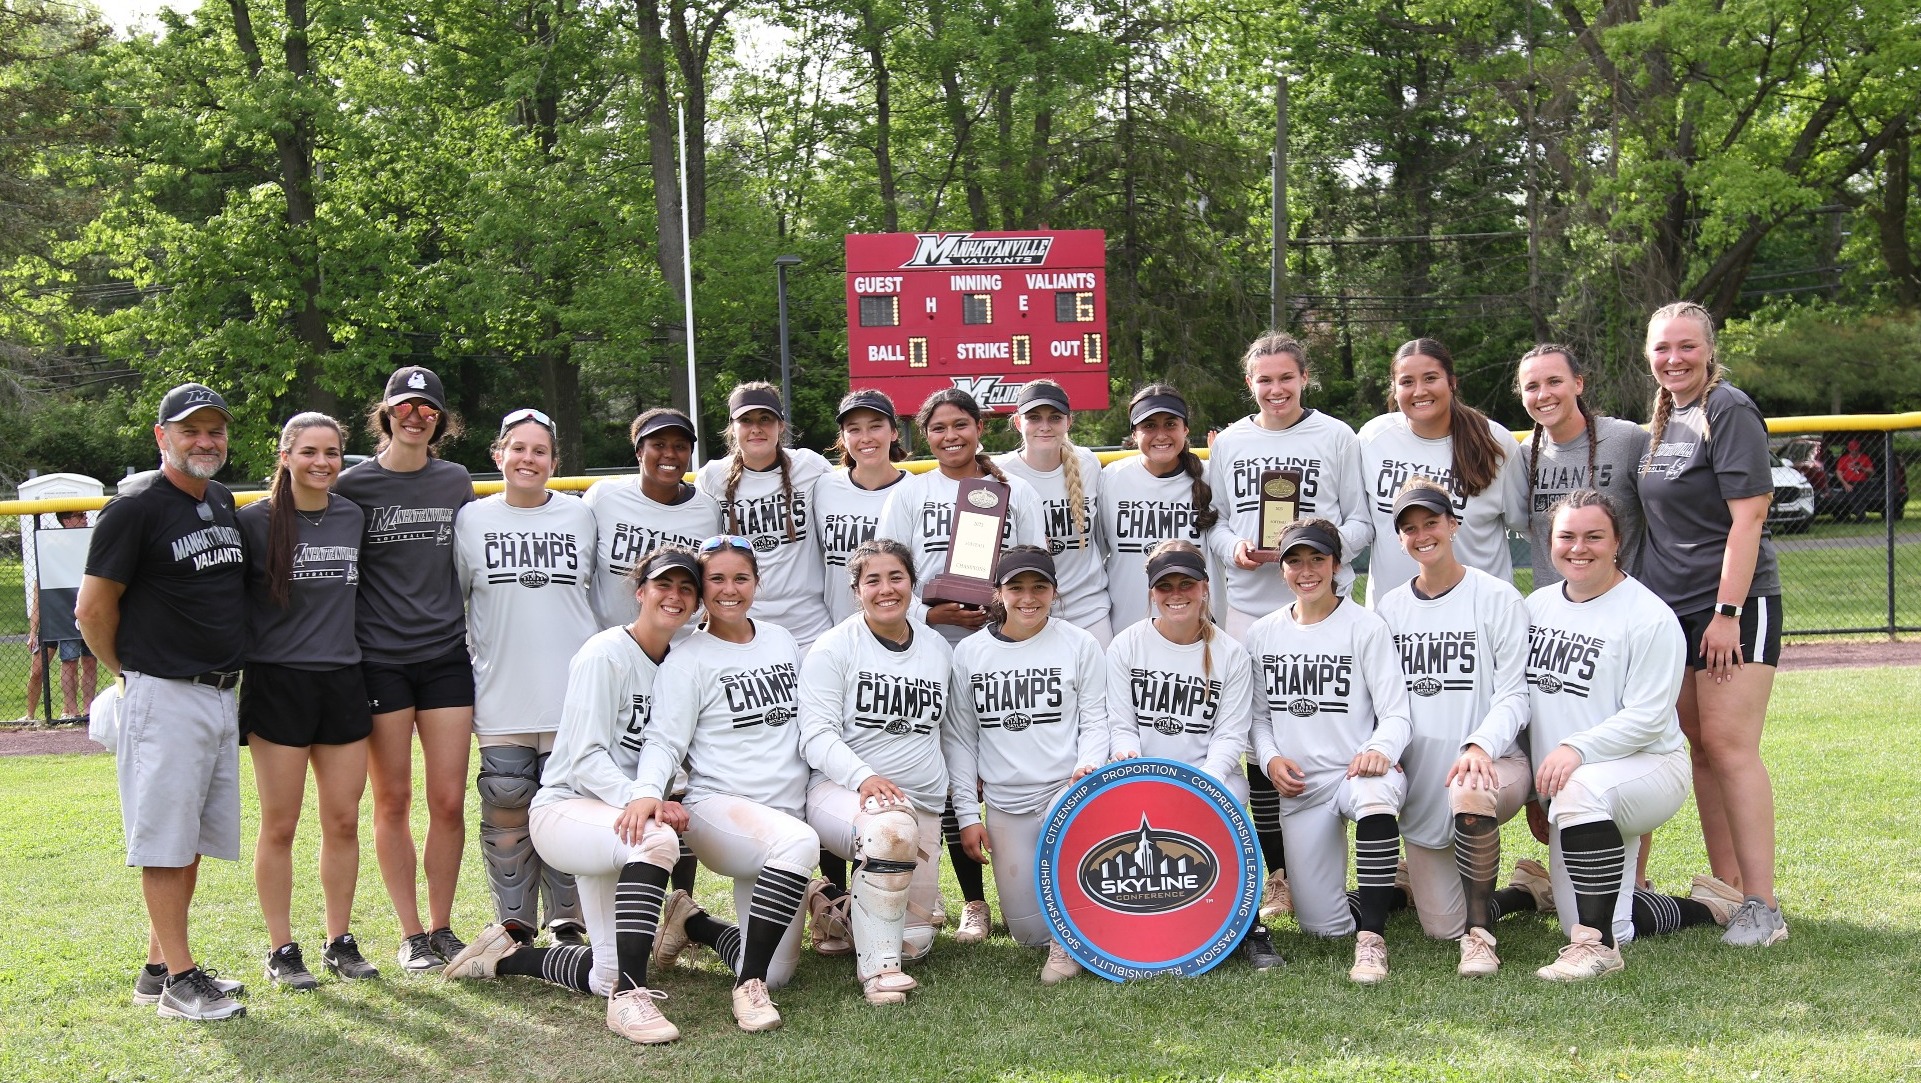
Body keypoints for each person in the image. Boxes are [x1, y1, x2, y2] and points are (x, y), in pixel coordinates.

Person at [443, 547, 704, 1046]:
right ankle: (631, 997)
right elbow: (585, 758)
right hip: (567, 808)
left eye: (686, 589)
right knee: (656, 842)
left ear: (695, 604)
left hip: (619, 816)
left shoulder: (685, 661)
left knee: (601, 973)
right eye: (663, 585)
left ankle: (505, 956)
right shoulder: (605, 652)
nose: (674, 596)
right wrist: (643, 798)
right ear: (641, 590)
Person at [76, 382, 250, 1020]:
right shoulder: (135, 507)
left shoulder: (223, 499)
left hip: (218, 692)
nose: (205, 441)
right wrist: (132, 674)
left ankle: (160, 969)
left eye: (215, 430)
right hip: (163, 691)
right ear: (162, 437)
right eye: (190, 430)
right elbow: (91, 610)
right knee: (163, 844)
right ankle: (180, 984)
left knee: (190, 840)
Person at [1521, 491, 1735, 980]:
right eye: (1566, 536)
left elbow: (1647, 718)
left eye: (1594, 536)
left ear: (1618, 542)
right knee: (1593, 916)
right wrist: (1539, 789)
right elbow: (1527, 707)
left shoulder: (1648, 616)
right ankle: (1709, 905)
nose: (1580, 548)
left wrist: (1573, 751)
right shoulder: (1535, 607)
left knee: (1582, 797)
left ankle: (1598, 951)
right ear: (1548, 542)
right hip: (1576, 782)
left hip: (1649, 767)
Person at [1636, 302, 1787, 946]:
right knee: (1700, 750)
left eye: (1686, 347)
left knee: (1730, 748)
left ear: (1708, 349)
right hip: (1674, 610)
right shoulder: (1666, 419)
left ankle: (1763, 904)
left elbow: (1749, 517)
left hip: (1729, 604)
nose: (1674, 358)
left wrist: (1726, 614)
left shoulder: (1728, 408)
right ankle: (1728, 889)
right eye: (1663, 348)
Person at [1204, 334, 1370, 919]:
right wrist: (1237, 550)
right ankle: (1278, 873)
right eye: (1264, 380)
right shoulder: (1231, 442)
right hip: (1252, 607)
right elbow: (1216, 524)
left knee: (1325, 731)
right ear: (1249, 384)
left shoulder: (1335, 435)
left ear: (1305, 379)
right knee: (1260, 744)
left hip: (1325, 606)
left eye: (1286, 378)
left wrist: (1315, 550)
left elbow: (1362, 523)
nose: (1276, 390)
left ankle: (1362, 866)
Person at [875, 388, 1046, 943]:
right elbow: (888, 570)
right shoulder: (910, 493)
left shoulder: (1013, 491)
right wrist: (931, 608)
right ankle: (957, 897)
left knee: (986, 759)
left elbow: (1034, 568)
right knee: (944, 767)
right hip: (925, 644)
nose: (951, 437)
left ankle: (1002, 891)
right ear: (924, 436)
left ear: (980, 428)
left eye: (961, 425)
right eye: (939, 428)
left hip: (995, 644)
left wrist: (995, 610)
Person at [635, 537, 814, 1032]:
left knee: (781, 971)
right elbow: (663, 741)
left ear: (758, 583)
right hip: (721, 811)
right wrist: (647, 792)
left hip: (782, 814)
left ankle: (692, 922)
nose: (729, 589)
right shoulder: (687, 657)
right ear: (700, 589)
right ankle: (746, 989)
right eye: (716, 579)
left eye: (741, 578)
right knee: (800, 844)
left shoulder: (780, 640)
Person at [334, 365, 477, 972]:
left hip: (445, 654)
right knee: (392, 799)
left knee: (447, 801)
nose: (416, 416)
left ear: (440, 420)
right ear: (386, 413)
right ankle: (411, 931)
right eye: (405, 406)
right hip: (380, 659)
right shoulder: (352, 485)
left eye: (427, 409)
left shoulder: (456, 481)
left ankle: (443, 926)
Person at [237, 413, 379, 989]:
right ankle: (281, 947)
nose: (322, 463)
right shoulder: (255, 522)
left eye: (332, 453)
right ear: (286, 456)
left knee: (343, 820)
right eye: (309, 452)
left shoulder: (351, 516)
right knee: (280, 824)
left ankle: (338, 940)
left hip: (343, 679)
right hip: (278, 682)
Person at [1371, 481, 1531, 975]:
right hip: (1423, 781)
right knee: (1441, 926)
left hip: (1495, 766)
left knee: (1470, 790)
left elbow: (1515, 693)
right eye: (1410, 528)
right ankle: (1525, 892)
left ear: (1453, 524)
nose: (1422, 534)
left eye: (1431, 523)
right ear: (1400, 539)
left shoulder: (1497, 597)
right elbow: (1382, 701)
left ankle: (1480, 940)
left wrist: (1481, 744)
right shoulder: (1390, 609)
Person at [455, 409, 599, 945]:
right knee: (507, 798)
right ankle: (514, 920)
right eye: (517, 448)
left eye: (539, 451)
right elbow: (458, 604)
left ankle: (568, 917)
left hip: (571, 695)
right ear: (499, 455)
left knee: (566, 808)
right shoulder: (472, 520)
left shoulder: (580, 516)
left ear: (555, 462)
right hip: (502, 691)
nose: (528, 459)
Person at [1245, 519, 1410, 984]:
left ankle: (1372, 940)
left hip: (1357, 773)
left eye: (1317, 558)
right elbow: (1257, 719)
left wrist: (1380, 747)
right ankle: (1393, 888)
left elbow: (1397, 712)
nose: (1306, 570)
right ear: (1281, 569)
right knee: (1322, 925)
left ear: (1337, 564)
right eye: (1294, 560)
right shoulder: (1263, 633)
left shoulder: (1365, 626)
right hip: (1301, 788)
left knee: (1376, 796)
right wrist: (1271, 758)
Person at [1103, 540, 1278, 969]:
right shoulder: (1126, 645)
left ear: (1205, 589)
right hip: (1140, 774)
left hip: (1208, 775)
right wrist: (1135, 768)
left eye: (1187, 584)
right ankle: (1149, 918)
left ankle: (1249, 923)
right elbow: (1122, 726)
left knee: (1232, 801)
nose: (1176, 594)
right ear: (1151, 593)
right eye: (1165, 586)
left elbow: (1230, 736)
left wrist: (1199, 787)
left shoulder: (1230, 654)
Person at [796, 538, 951, 1004]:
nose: (887, 589)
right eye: (873, 580)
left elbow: (956, 736)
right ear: (856, 590)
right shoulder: (833, 648)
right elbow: (815, 733)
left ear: (912, 583)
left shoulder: (938, 648)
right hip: (842, 794)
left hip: (920, 802)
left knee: (916, 941)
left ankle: (833, 910)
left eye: (896, 577)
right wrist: (864, 776)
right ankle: (879, 973)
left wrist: (962, 810)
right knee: (890, 831)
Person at [944, 546, 1108, 984]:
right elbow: (960, 740)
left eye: (1040, 587)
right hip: (1006, 801)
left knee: (1059, 914)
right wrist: (966, 816)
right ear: (999, 592)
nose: (1028, 598)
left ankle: (1069, 940)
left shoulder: (1080, 643)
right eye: (1016, 587)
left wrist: (1088, 767)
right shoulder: (971, 653)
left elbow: (1096, 721)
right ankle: (1062, 928)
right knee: (1026, 932)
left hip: (1065, 790)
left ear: (1055, 591)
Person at [1358, 338, 1514, 604]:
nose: (1419, 391)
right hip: (1395, 618)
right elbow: (1355, 519)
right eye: (1407, 382)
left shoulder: (1495, 441)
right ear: (1394, 389)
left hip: (1478, 612)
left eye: (1430, 378)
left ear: (1452, 382)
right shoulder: (1373, 438)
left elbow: (1524, 521)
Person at [696, 382, 833, 651]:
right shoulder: (712, 477)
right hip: (741, 624)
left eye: (765, 419)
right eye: (745, 420)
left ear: (781, 425)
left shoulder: (810, 467)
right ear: (732, 428)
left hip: (809, 627)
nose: (756, 428)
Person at [1504, 344, 1649, 588]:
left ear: (1578, 384)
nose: (1543, 395)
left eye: (1554, 381)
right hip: (1555, 617)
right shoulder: (1526, 453)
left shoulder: (1627, 440)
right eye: (1532, 386)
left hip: (1620, 610)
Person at [996, 380, 1112, 644]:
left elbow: (1103, 540)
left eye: (1055, 418)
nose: (1045, 426)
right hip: (1026, 609)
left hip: (1087, 608)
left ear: (1069, 422)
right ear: (1017, 422)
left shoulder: (1087, 463)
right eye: (1034, 418)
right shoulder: (999, 472)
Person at [583, 408, 719, 629]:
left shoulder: (708, 510)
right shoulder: (603, 498)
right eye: (659, 445)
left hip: (680, 648)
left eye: (680, 446)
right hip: (611, 646)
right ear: (639, 451)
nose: (670, 454)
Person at [1101, 386, 1220, 633]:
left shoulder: (1212, 477)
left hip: (1197, 628)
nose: (1161, 435)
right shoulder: (1111, 479)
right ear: (1134, 433)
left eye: (1170, 424)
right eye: (1149, 426)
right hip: (1128, 627)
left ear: (1185, 429)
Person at [813, 390, 911, 628]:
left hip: (900, 631)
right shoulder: (824, 487)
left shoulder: (915, 490)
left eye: (875, 426)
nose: (865, 437)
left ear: (894, 432)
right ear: (843, 437)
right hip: (838, 632)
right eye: (854, 429)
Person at [1835, 438, 1874, 519]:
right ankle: (1861, 516)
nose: (1854, 452)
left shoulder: (1864, 457)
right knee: (1852, 496)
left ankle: (1860, 515)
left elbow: (1871, 471)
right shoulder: (1843, 459)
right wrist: (1845, 484)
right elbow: (1838, 473)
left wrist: (1862, 468)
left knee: (1861, 497)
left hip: (1862, 483)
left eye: (1856, 450)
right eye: (1852, 450)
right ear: (1849, 449)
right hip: (1849, 482)